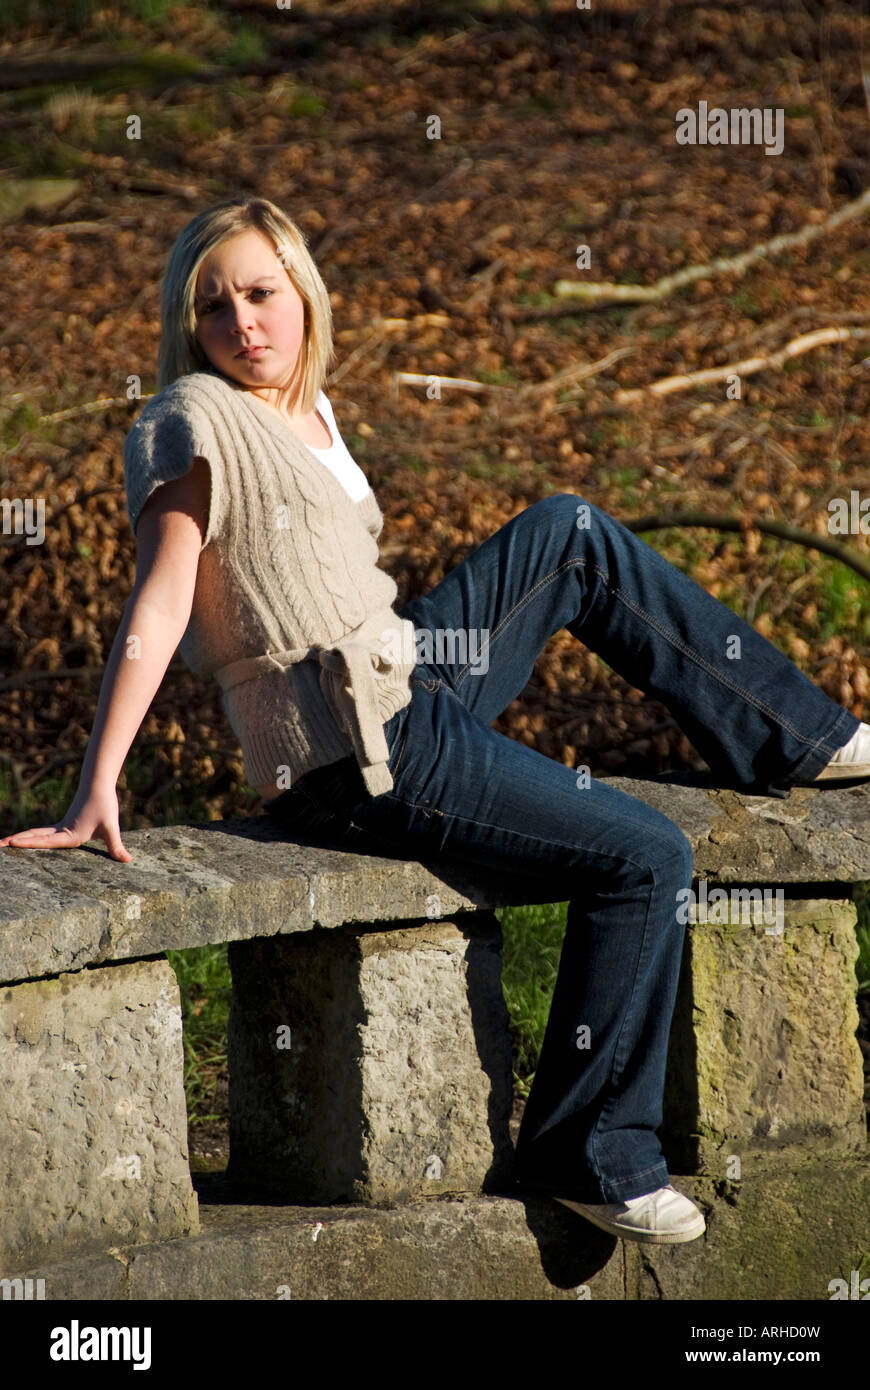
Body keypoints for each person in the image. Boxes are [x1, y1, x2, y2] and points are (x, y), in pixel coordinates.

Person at [3, 195, 869, 1247]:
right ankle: (590, 1150)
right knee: (647, 856)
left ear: (304, 296)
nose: (244, 322)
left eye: (262, 294)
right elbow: (162, 596)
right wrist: (101, 777)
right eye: (216, 305)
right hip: (361, 750)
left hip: (404, 674)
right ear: (190, 326)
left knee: (571, 532)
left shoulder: (308, 412)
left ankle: (801, 738)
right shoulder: (192, 416)